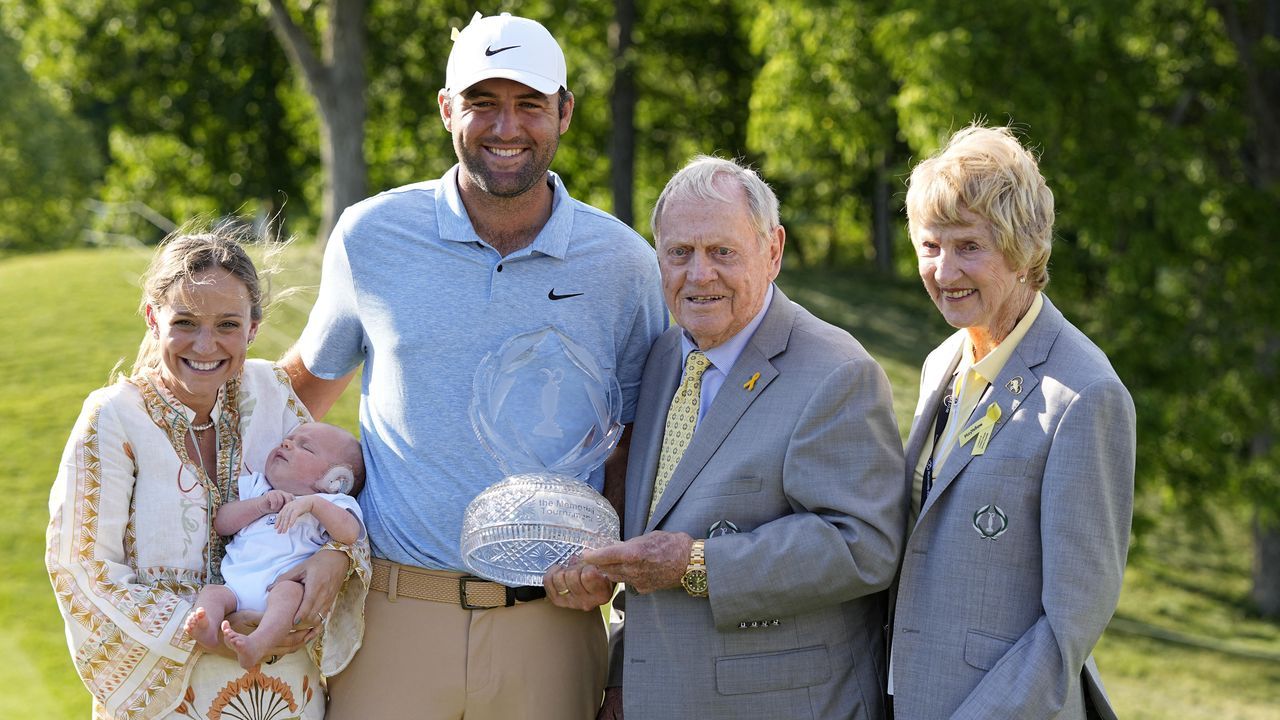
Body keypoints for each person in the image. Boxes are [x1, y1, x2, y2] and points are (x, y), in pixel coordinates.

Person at [280, 11, 667, 720]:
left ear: (566, 113)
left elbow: (640, 445)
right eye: (482, 102)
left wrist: (618, 592)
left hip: (550, 625)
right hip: (392, 621)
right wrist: (169, 409)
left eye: (529, 104)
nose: (505, 127)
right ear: (446, 109)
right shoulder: (373, 236)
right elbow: (300, 388)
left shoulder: (624, 265)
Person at [547, 156, 908, 719]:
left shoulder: (838, 373)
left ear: (773, 251)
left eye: (722, 252)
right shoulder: (666, 357)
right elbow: (652, 541)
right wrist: (622, 680)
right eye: (679, 253)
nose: (699, 274)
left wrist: (697, 563)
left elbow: (864, 545)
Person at [47, 227, 369, 719]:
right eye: (186, 322)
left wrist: (337, 560)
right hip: (170, 694)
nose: (205, 344)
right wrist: (203, 630)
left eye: (226, 324)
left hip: (287, 692)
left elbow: (341, 505)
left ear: (254, 327)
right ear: (154, 318)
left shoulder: (270, 392)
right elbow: (83, 570)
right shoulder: (114, 417)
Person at [888, 124, 1136, 719]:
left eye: (969, 246)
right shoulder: (942, 362)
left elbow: (1070, 624)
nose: (944, 270)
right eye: (930, 245)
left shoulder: (1085, 395)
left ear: (1023, 249)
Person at [185, 422, 366, 670]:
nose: (287, 443)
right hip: (235, 587)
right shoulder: (259, 487)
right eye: (289, 438)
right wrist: (260, 505)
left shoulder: (331, 502)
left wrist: (313, 505)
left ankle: (256, 645)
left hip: (279, 586)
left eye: (306, 447)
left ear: (336, 479)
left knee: (288, 595)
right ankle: (207, 628)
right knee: (212, 595)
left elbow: (349, 533)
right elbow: (222, 524)